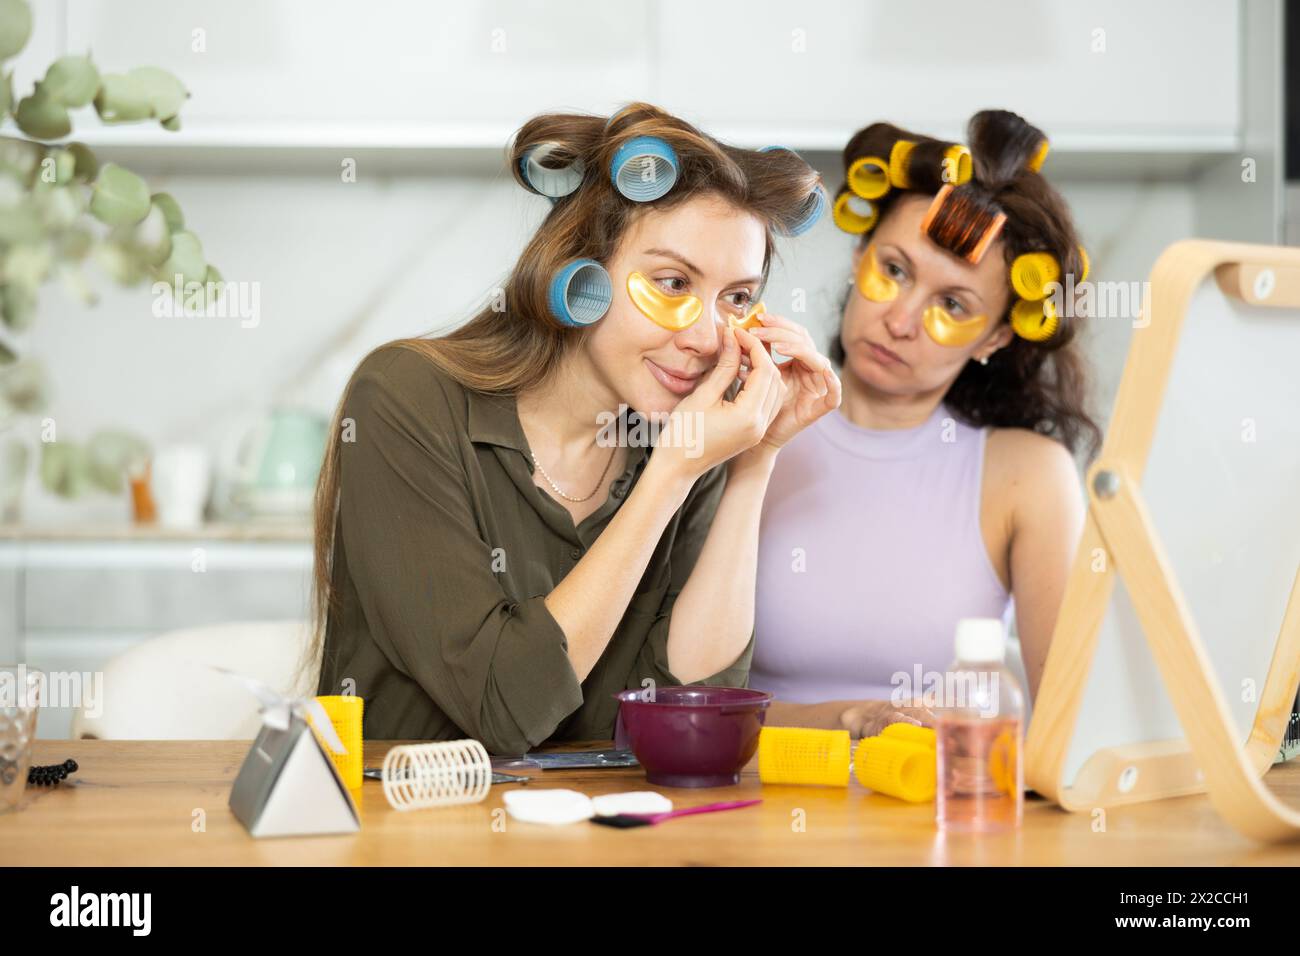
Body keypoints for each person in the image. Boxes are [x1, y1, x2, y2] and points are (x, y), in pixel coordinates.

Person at [305, 103, 841, 753]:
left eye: (735, 299)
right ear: (580, 272)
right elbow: (505, 710)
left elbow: (694, 725)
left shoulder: (684, 433)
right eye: (672, 283)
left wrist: (758, 458)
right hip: (413, 834)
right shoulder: (404, 398)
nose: (706, 338)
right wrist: (673, 471)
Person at [752, 110, 1100, 737]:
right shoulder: (746, 424)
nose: (902, 320)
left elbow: (1067, 727)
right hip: (742, 807)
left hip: (940, 816)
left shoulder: (1028, 475)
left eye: (952, 304)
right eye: (894, 270)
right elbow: (667, 703)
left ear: (996, 335)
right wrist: (851, 719)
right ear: (859, 253)